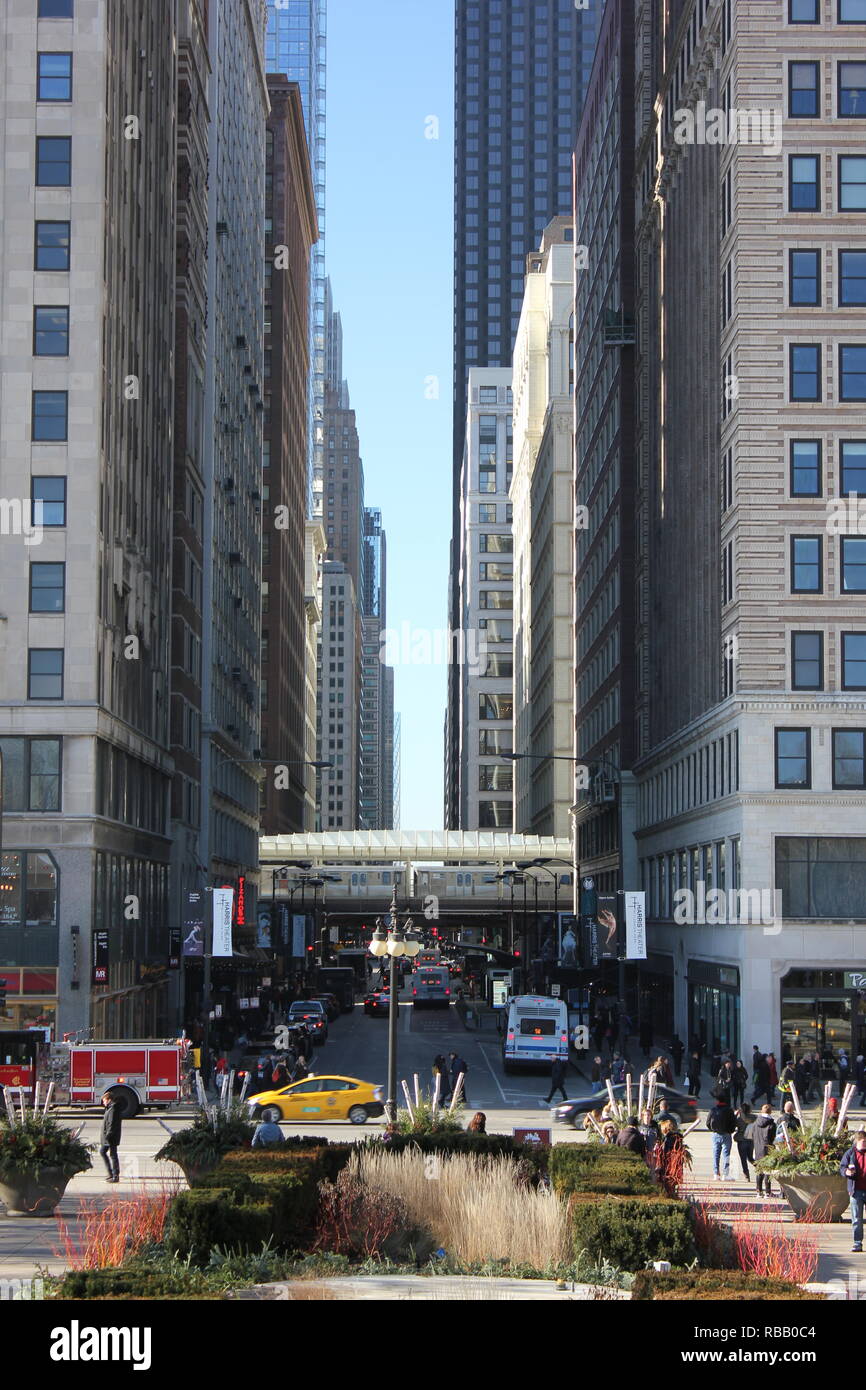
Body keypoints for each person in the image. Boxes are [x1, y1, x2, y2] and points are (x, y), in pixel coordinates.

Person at [840, 1128, 866, 1252]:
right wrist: (847, 1172)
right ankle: (857, 1243)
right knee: (856, 1218)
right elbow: (842, 1168)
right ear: (857, 1142)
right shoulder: (850, 1153)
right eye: (863, 1142)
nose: (865, 1144)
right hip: (856, 1191)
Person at [706, 1089, 738, 1180]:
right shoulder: (729, 1110)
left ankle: (716, 1173)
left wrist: (712, 1129)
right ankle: (725, 1174)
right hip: (726, 1134)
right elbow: (733, 1122)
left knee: (716, 1154)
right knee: (726, 1154)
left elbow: (708, 1123)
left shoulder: (713, 1110)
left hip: (716, 1134)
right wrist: (730, 1131)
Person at [751, 1103, 778, 1197]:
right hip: (767, 1149)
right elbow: (773, 1137)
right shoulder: (772, 1124)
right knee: (768, 1171)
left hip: (758, 1149)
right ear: (770, 1111)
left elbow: (753, 1135)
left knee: (759, 1171)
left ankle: (758, 1191)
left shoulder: (755, 1123)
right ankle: (768, 1191)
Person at [99, 1091, 122, 1184]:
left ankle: (114, 1175)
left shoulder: (113, 1109)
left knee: (111, 1154)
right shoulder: (110, 1108)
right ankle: (112, 1174)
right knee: (108, 1153)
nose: (103, 1102)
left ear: (109, 1100)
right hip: (110, 1136)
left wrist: (108, 1135)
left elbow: (111, 1124)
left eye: (104, 1100)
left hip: (111, 1137)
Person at [733, 1102, 754, 1181]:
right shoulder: (754, 1118)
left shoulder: (739, 1119)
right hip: (751, 1140)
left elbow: (732, 1124)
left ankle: (746, 1174)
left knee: (743, 1159)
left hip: (741, 1140)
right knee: (750, 1158)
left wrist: (735, 1115)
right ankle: (760, 1168)